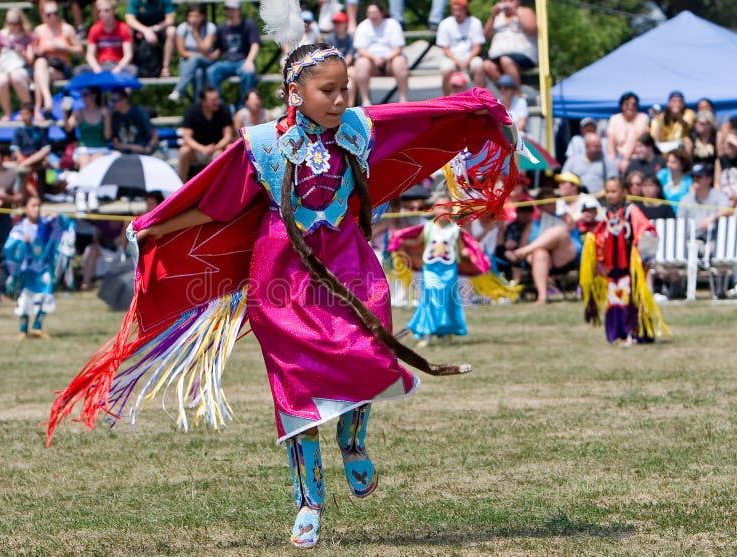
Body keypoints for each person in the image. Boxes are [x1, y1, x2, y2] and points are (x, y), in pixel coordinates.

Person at [47, 38, 519, 549]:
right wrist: (157, 227)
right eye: (327, 91)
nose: (340, 100)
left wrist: (475, 111)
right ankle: (309, 500)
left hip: (352, 267)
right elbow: (218, 206)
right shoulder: (263, 146)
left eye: (345, 89)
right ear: (295, 93)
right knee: (297, 394)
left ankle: (354, 442)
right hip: (283, 279)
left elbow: (417, 121)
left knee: (368, 352)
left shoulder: (358, 130)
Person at [580, 177, 666, 345]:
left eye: (614, 191)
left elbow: (646, 229)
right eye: (608, 192)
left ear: (624, 192)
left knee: (632, 298)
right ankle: (619, 332)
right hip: (613, 266)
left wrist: (642, 251)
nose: (610, 195)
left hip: (629, 264)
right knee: (616, 299)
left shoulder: (630, 210)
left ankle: (636, 333)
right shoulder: (607, 213)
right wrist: (598, 259)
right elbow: (600, 237)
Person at [388, 194, 480, 346]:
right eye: (439, 207)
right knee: (430, 298)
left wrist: (474, 252)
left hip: (449, 270)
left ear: (451, 210)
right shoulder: (428, 227)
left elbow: (462, 250)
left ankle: (445, 332)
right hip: (430, 269)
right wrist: (400, 240)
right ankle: (427, 334)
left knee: (446, 300)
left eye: (446, 207)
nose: (442, 210)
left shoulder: (455, 230)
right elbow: (418, 241)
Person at [4, 195, 74, 339]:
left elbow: (66, 225)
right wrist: (22, 243)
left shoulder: (47, 225)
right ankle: (23, 329)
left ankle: (37, 326)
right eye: (33, 206)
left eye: (38, 206)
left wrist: (58, 216)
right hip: (27, 269)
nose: (36, 209)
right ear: (25, 208)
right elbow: (9, 247)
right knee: (25, 297)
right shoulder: (20, 228)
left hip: (43, 268)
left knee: (46, 294)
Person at [505, 190, 580, 305]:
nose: (553, 206)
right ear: (539, 206)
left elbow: (521, 251)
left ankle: (529, 250)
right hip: (540, 260)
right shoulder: (532, 225)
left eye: (554, 203)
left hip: (564, 255)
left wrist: (569, 226)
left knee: (559, 231)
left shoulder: (565, 218)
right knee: (540, 252)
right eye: (549, 203)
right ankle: (542, 297)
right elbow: (522, 246)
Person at [33, 1, 84, 120]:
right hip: (46, 66)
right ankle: (47, 100)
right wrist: (40, 50)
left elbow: (80, 50)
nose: (53, 17)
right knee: (39, 65)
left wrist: (64, 48)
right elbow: (33, 53)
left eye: (55, 13)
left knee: (38, 74)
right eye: (49, 14)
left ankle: (38, 108)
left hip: (63, 66)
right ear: (43, 15)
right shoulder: (39, 30)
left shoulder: (67, 29)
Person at [205, 0, 261, 107]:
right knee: (211, 71)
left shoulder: (248, 24)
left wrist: (249, 61)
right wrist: (209, 56)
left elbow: (255, 45)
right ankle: (218, 105)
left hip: (244, 60)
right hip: (228, 62)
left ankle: (243, 106)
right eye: (228, 10)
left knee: (248, 73)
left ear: (239, 10)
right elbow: (218, 49)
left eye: (233, 10)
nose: (230, 12)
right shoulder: (222, 28)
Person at [352, 2, 409, 105]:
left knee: (400, 61)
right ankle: (365, 100)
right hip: (371, 62)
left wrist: (386, 58)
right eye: (369, 12)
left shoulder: (392, 24)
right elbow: (360, 50)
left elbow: (398, 48)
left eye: (374, 12)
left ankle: (403, 99)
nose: (372, 15)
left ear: (382, 12)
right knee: (361, 62)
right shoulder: (363, 25)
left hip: (390, 61)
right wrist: (374, 58)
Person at [474, 0, 537, 91]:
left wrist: (515, 12)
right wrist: (493, 16)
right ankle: (481, 100)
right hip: (497, 55)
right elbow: (486, 37)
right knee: (484, 66)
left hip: (522, 54)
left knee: (506, 61)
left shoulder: (524, 11)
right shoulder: (497, 16)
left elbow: (531, 30)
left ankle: (517, 95)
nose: (507, 2)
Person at [178, 86, 234, 181]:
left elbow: (228, 135)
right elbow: (187, 137)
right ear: (203, 102)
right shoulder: (191, 111)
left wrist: (216, 148)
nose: (217, 102)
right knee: (184, 151)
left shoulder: (224, 110)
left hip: (217, 150)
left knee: (229, 148)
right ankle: (180, 186)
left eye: (217, 99)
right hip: (197, 151)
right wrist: (202, 148)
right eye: (213, 100)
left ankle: (223, 186)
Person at [0, 8, 35, 122]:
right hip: (4, 67)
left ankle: (27, 110)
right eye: (10, 23)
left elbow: (30, 60)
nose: (13, 26)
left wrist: (22, 53)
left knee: (16, 77)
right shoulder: (0, 36)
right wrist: (3, 61)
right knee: (1, 80)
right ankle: (7, 113)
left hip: (22, 67)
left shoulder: (27, 37)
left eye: (15, 23)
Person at [168, 4, 217, 103]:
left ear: (202, 16)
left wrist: (195, 33)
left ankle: (179, 90)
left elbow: (205, 49)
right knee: (198, 73)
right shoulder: (182, 28)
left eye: (196, 16)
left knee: (196, 60)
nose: (193, 19)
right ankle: (198, 104)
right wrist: (199, 56)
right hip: (186, 62)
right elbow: (182, 52)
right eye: (190, 16)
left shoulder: (210, 27)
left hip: (206, 62)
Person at [436, 0, 484, 96]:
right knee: (446, 69)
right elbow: (445, 48)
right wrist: (456, 61)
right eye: (454, 10)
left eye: (460, 10)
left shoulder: (475, 22)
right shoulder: (445, 23)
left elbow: (477, 47)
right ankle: (446, 98)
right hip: (451, 57)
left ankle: (480, 98)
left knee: (479, 66)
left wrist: (467, 60)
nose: (457, 13)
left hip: (470, 56)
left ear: (465, 10)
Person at [78, 0, 138, 76]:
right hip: (101, 64)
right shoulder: (94, 29)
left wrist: (118, 68)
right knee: (79, 70)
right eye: (99, 11)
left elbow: (128, 54)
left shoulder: (124, 29)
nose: (102, 14)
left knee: (133, 70)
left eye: (106, 10)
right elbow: (90, 55)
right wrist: (96, 68)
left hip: (118, 64)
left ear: (113, 11)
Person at [677, 163, 732, 241]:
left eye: (699, 177)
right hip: (691, 240)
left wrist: (712, 218)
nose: (695, 179)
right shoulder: (686, 199)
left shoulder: (718, 195)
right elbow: (680, 221)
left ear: (709, 179)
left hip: (712, 240)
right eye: (693, 177)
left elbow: (728, 210)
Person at [125, 0, 177, 78]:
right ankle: (130, 66)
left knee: (172, 31)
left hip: (159, 28)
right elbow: (130, 20)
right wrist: (145, 30)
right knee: (128, 31)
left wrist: (154, 29)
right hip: (141, 29)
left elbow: (170, 20)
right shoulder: (135, 1)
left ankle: (165, 68)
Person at [65, 86, 111, 169]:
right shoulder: (78, 112)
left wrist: (107, 118)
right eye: (82, 95)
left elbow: (107, 136)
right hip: (82, 148)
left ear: (94, 95)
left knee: (96, 163)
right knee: (84, 164)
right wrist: (65, 112)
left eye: (86, 94)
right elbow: (68, 128)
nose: (83, 97)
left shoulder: (104, 112)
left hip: (100, 148)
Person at [11, 103, 51, 197]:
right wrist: (21, 158)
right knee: (26, 170)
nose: (24, 117)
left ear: (32, 115)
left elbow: (46, 148)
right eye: (22, 114)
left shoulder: (38, 129)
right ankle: (33, 196)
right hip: (24, 159)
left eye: (26, 114)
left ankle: (29, 196)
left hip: (35, 159)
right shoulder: (19, 130)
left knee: (41, 153)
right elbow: (15, 148)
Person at [606, 92, 649, 174]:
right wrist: (613, 162)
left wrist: (626, 160)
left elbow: (637, 139)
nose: (630, 107)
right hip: (618, 159)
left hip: (637, 158)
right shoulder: (614, 119)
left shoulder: (642, 118)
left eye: (634, 104)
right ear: (622, 106)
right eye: (627, 104)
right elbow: (610, 144)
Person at [110, 88, 158, 155]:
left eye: (115, 101)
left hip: (143, 152)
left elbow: (154, 136)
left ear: (124, 100)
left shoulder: (139, 112)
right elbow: (115, 144)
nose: (113, 103)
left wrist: (148, 148)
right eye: (112, 101)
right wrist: (132, 147)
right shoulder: (114, 117)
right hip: (123, 154)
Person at [326, 11, 356, 107]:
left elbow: (350, 55)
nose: (337, 26)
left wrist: (343, 66)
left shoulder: (350, 38)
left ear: (345, 24)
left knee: (352, 76)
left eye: (339, 23)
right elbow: (330, 55)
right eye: (335, 23)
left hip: (348, 66)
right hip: (333, 66)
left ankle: (350, 106)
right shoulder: (329, 39)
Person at [656, 147, 691, 214]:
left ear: (683, 164)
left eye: (673, 162)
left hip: (682, 216)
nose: (669, 165)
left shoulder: (689, 181)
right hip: (663, 214)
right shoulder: (661, 175)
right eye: (668, 161)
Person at [716, 132, 737, 207]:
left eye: (731, 144)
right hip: (724, 199)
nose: (729, 146)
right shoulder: (722, 160)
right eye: (727, 143)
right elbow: (717, 183)